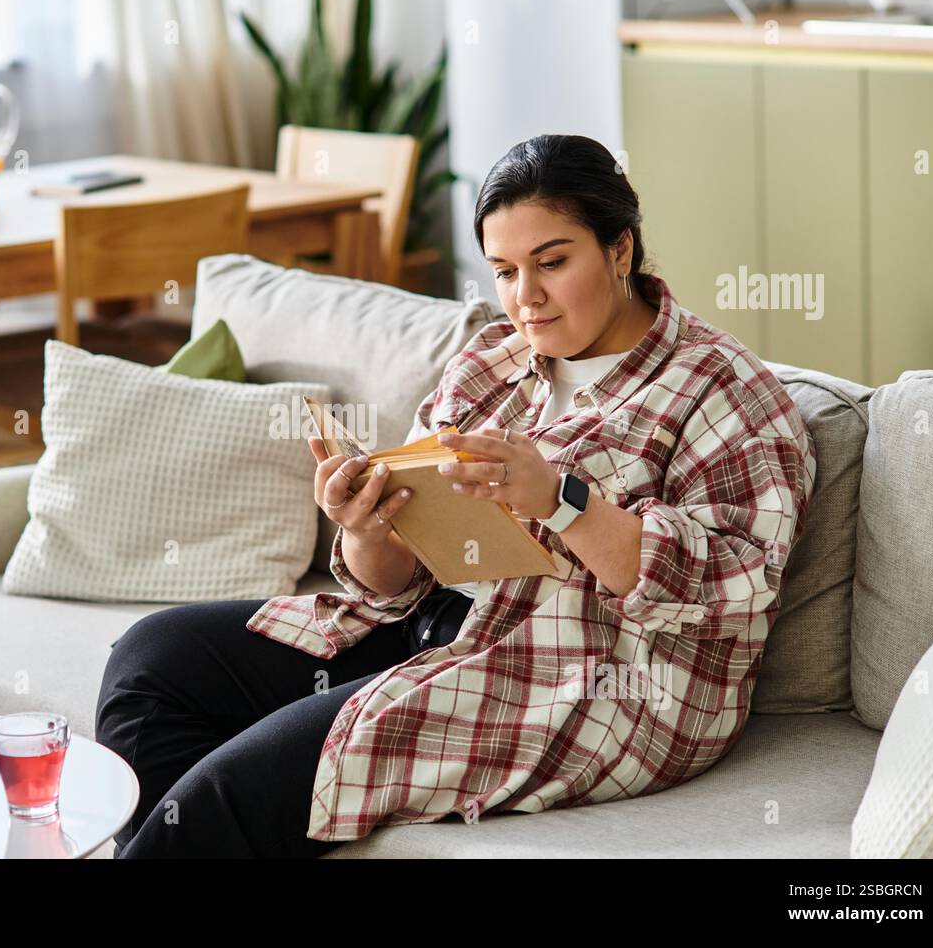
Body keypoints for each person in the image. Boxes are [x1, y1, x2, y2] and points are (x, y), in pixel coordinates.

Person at [96, 134, 816, 858]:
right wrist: (366, 529)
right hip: (436, 625)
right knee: (150, 660)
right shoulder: (491, 362)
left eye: (552, 262)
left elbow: (739, 585)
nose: (525, 298)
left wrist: (561, 500)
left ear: (621, 250)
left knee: (231, 790)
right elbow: (393, 581)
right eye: (503, 271)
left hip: (588, 680)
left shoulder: (724, 390)